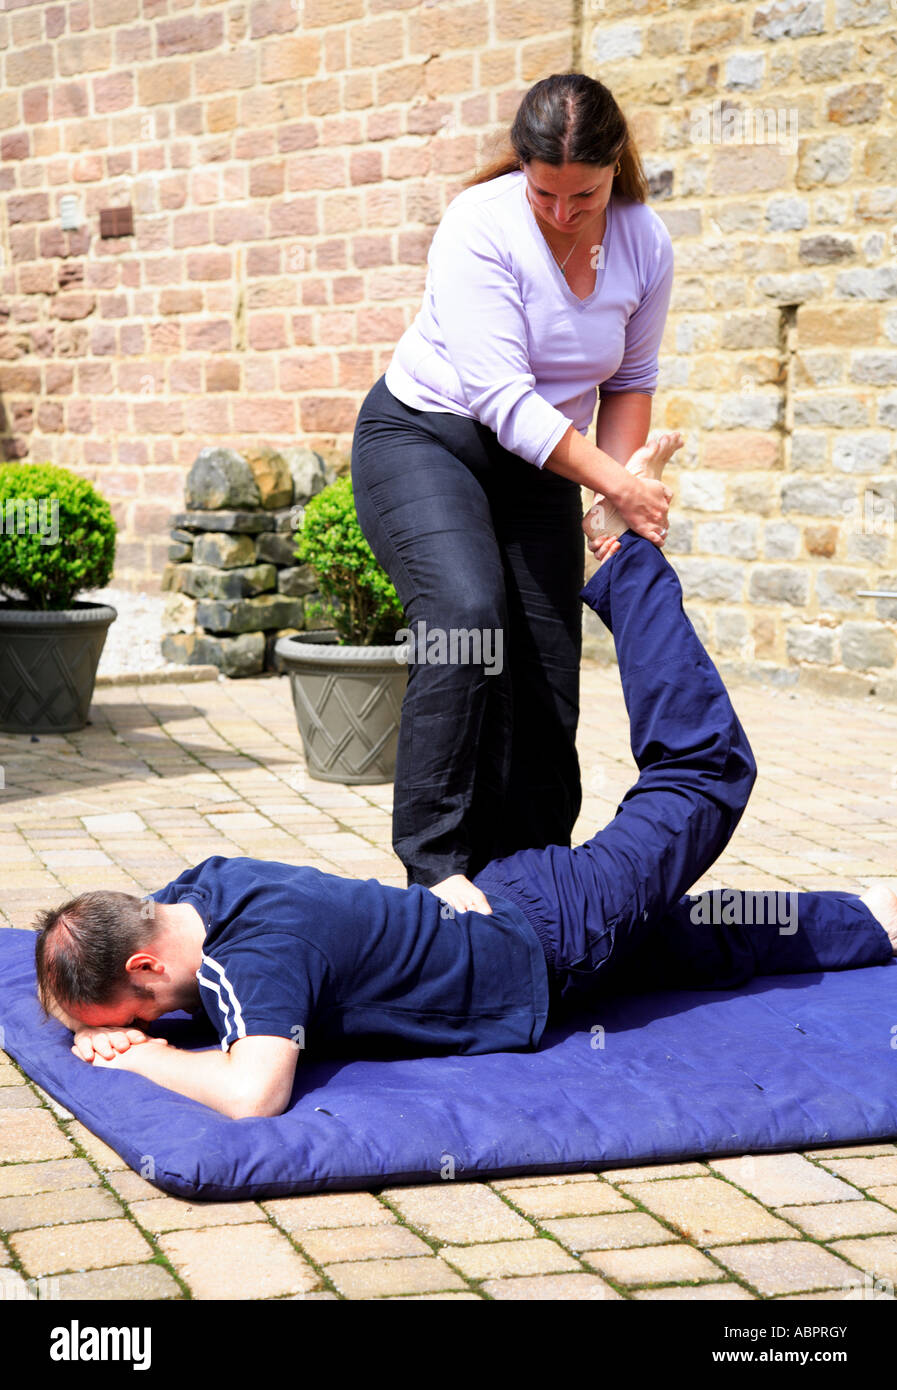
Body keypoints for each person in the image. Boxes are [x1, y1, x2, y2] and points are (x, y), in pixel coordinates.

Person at [34, 530, 897, 1121]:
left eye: (133, 1012)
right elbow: (104, 938)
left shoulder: (251, 967)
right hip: (521, 918)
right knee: (702, 943)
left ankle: (626, 561)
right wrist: (95, 1003)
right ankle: (875, 919)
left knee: (702, 772)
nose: (138, 1028)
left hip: (556, 929)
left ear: (147, 963)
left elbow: (253, 1095)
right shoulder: (201, 887)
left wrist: (143, 1058)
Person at [351, 71, 679, 918]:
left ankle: (532, 882)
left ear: (614, 168)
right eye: (544, 193)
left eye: (584, 195)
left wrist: (615, 494)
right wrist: (617, 482)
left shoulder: (643, 242)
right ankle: (435, 871)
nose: (563, 213)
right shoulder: (480, 222)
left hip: (541, 466)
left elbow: (630, 379)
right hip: (426, 438)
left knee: (542, 671)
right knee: (465, 616)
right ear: (521, 169)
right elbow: (501, 398)